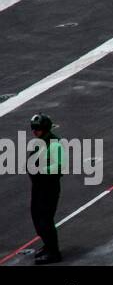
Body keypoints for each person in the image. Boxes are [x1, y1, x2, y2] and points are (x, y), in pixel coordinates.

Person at [28, 113, 64, 264]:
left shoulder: (55, 144)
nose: (34, 132)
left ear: (45, 128)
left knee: (45, 219)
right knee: (36, 216)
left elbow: (60, 166)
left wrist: (42, 169)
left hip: (48, 187)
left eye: (38, 129)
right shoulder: (39, 142)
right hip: (38, 186)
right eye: (33, 129)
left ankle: (54, 252)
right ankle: (47, 245)